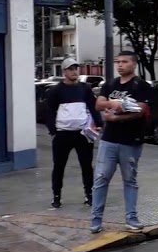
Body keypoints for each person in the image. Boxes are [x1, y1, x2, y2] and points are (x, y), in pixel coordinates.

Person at [91, 51, 151, 233]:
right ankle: (95, 220)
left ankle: (131, 219)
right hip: (108, 140)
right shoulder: (110, 84)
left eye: (124, 62)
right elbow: (98, 104)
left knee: (130, 180)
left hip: (130, 141)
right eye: (118, 62)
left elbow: (140, 110)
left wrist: (116, 115)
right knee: (101, 178)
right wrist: (117, 103)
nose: (120, 65)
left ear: (133, 64)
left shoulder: (141, 86)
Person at [44, 58, 99, 209]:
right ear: (64, 72)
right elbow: (49, 111)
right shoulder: (56, 91)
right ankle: (56, 196)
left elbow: (93, 107)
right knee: (59, 166)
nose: (74, 71)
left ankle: (90, 195)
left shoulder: (85, 88)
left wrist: (98, 124)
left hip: (82, 133)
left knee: (86, 166)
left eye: (76, 68)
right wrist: (53, 131)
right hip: (63, 134)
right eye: (70, 69)